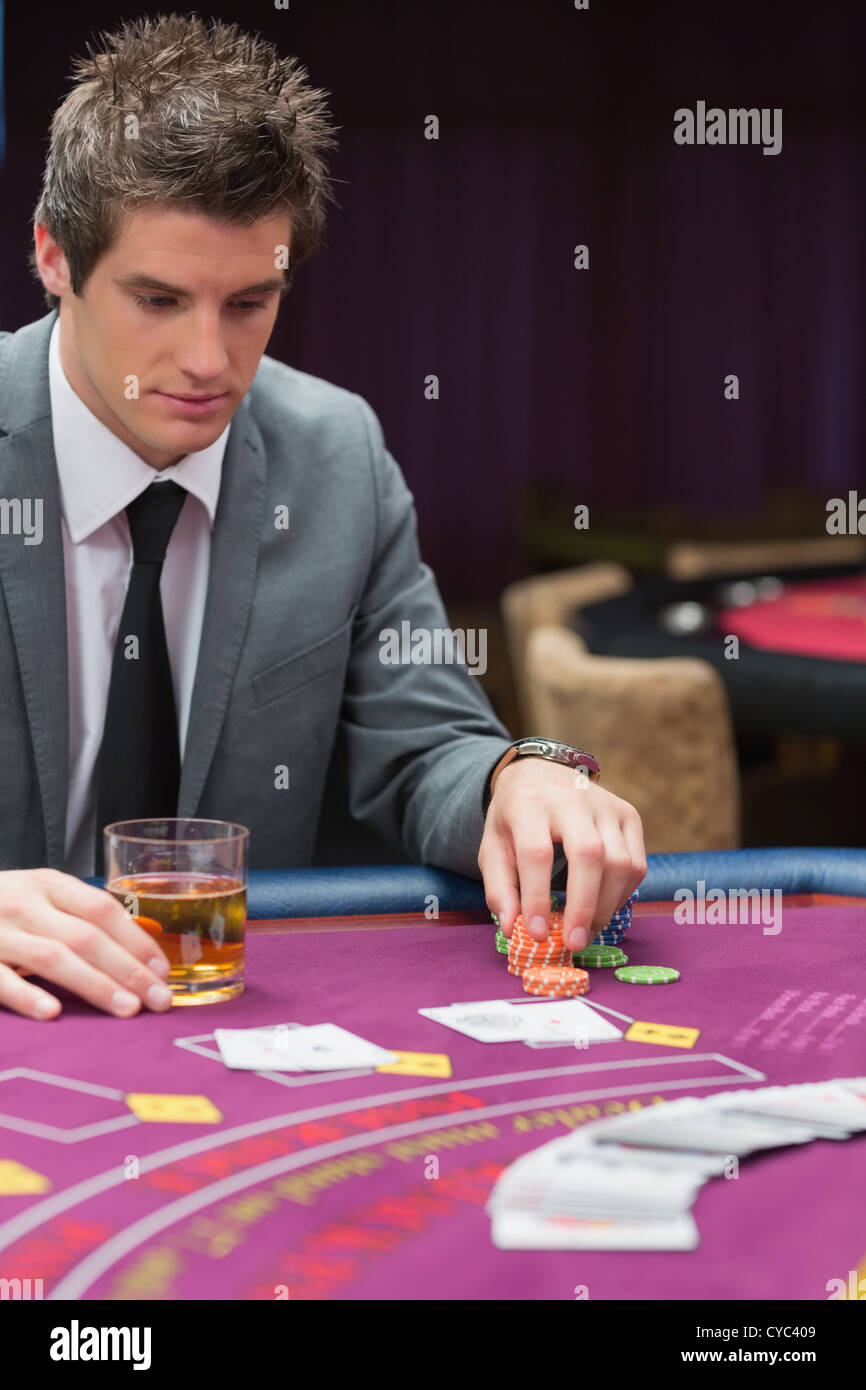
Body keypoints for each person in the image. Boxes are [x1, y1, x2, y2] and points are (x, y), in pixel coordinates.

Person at [0, 14, 645, 1022]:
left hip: (232, 1026)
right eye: (159, 300)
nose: (210, 360)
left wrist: (525, 774)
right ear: (52, 258)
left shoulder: (336, 452)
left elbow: (427, 745)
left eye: (249, 302)